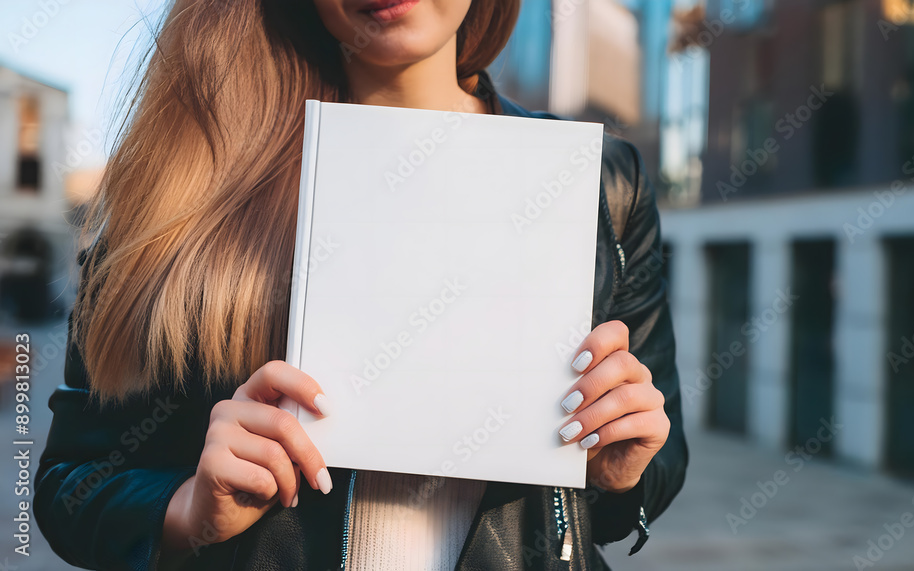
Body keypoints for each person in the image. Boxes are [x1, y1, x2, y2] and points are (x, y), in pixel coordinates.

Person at [34, 0, 688, 569]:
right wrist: (187, 509)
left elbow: (641, 483)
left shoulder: (603, 183)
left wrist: (619, 470)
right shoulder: (185, 183)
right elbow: (72, 484)